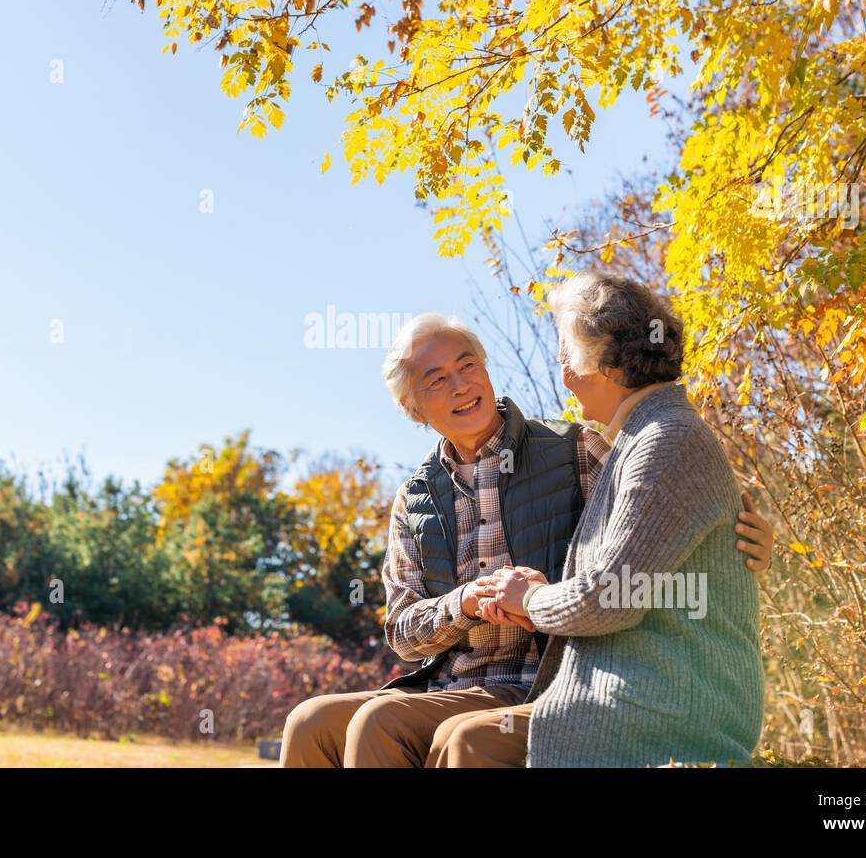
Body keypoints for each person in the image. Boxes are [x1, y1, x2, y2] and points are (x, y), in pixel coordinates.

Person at [280, 309, 773, 767]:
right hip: (448, 685)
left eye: (467, 365)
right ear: (413, 409)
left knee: (379, 722)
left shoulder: (575, 449)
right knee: (310, 722)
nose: (460, 385)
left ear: (486, 369)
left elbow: (660, 519)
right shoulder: (414, 499)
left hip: (544, 678)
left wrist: (744, 533)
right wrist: (464, 603)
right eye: (437, 380)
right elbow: (403, 634)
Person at [439, 272, 765, 767]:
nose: (563, 372)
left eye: (567, 354)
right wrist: (537, 592)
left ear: (606, 362)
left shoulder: (666, 440)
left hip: (662, 704)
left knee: (471, 743)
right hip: (628, 692)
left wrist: (529, 598)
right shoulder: (637, 440)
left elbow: (612, 595)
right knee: (457, 738)